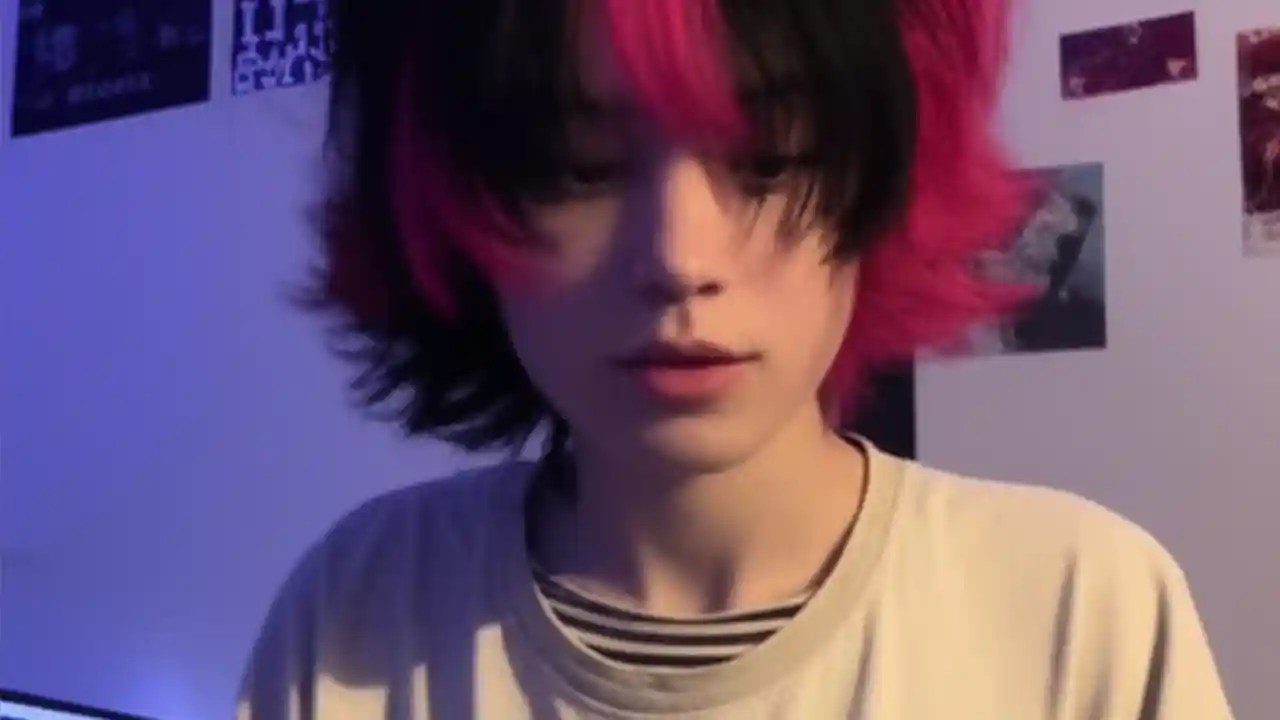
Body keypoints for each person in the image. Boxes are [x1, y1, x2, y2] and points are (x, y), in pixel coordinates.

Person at [237, 0, 1233, 717]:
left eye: (769, 160)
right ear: (449, 196)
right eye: (581, 167)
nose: (679, 257)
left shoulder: (1079, 611)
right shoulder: (358, 611)